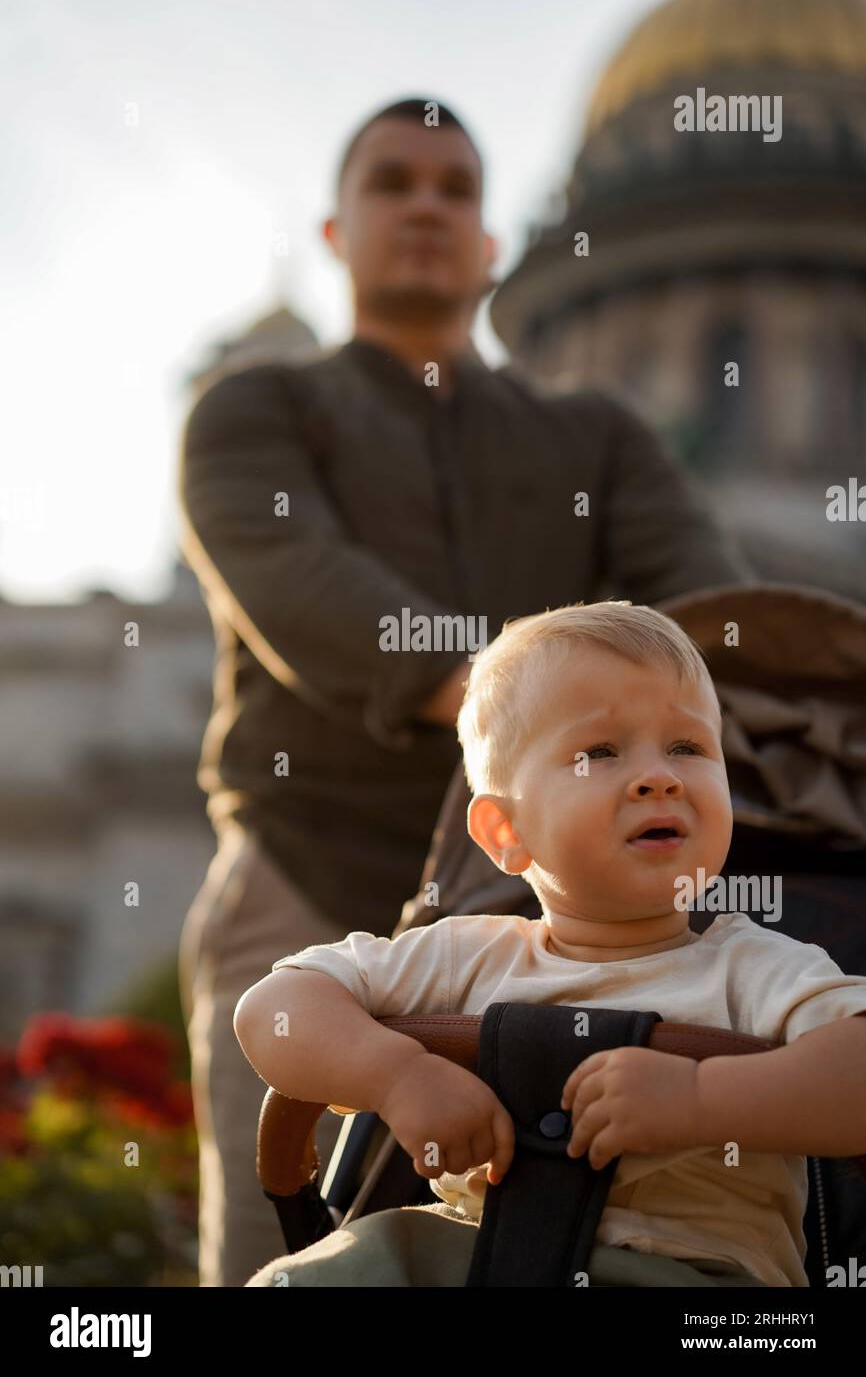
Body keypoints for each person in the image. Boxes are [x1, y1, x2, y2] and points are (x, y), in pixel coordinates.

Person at [177, 96, 752, 1287]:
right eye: (393, 183)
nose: (426, 208)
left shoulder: (598, 436)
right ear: (337, 231)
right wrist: (535, 719)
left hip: (562, 910)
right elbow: (305, 585)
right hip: (307, 871)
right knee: (266, 1243)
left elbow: (707, 613)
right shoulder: (254, 408)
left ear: (492, 246)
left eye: (455, 188)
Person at [235, 600, 866, 1288]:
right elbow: (276, 1007)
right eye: (598, 752)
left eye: (687, 747)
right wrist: (396, 1074)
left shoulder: (755, 972)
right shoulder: (459, 958)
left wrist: (700, 1098)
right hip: (479, 1251)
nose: (661, 776)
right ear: (506, 833)